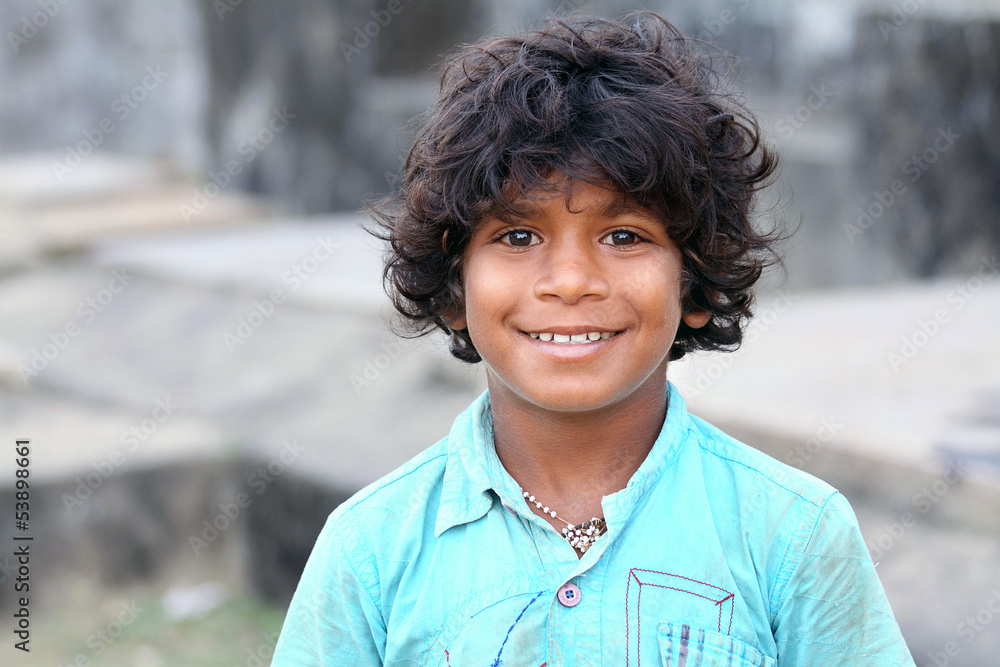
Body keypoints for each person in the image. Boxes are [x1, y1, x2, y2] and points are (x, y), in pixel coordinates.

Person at [273, 11, 916, 666]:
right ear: (454, 286)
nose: (572, 281)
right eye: (518, 236)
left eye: (624, 235)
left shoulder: (795, 536)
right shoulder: (371, 551)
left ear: (692, 280)